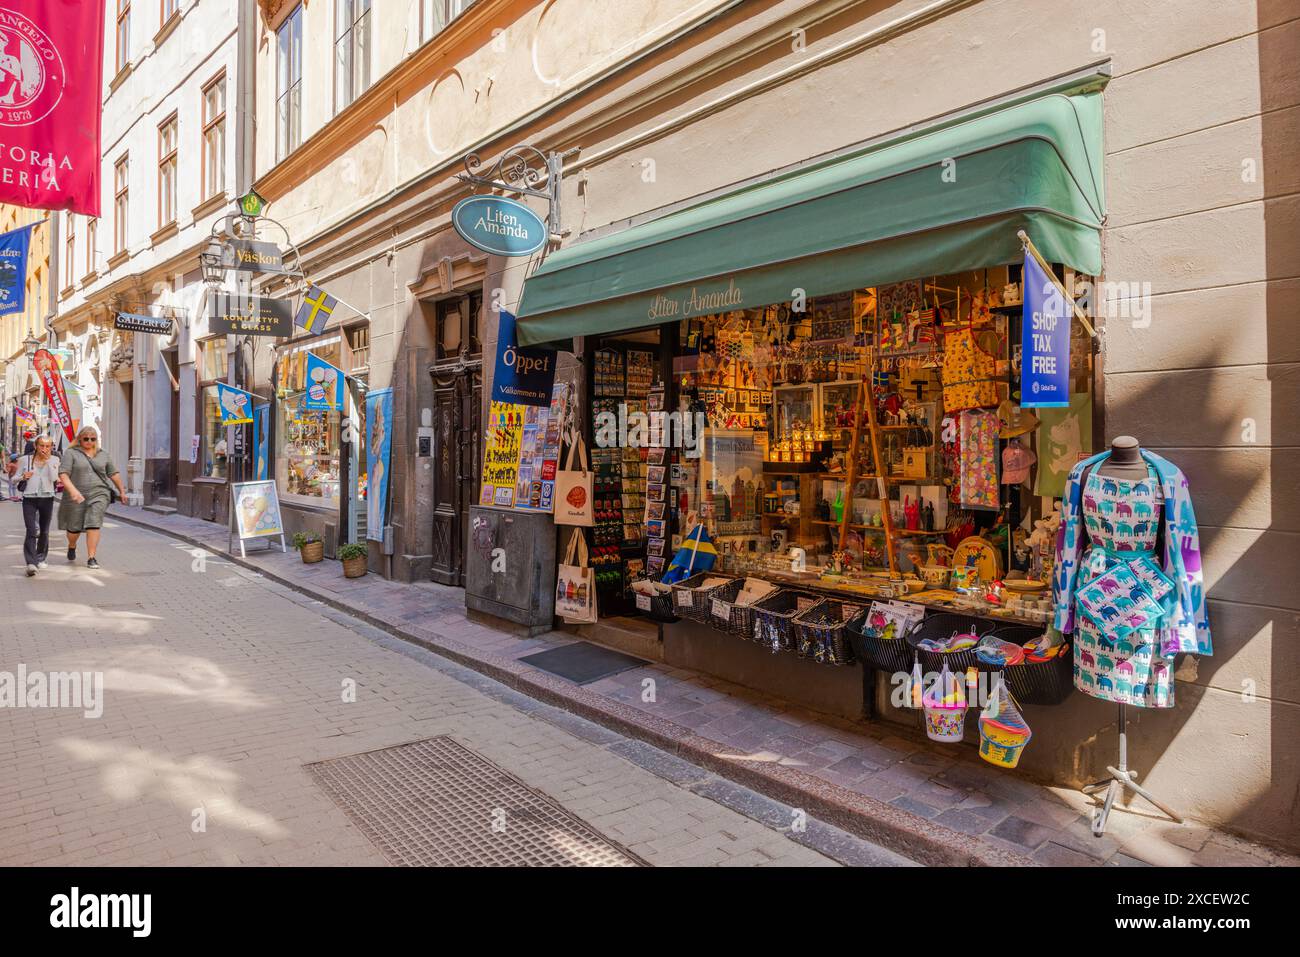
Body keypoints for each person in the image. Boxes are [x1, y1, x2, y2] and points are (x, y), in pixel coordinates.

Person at [58, 427, 127, 570]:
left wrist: (122, 491)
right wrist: (73, 491)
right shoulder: (71, 453)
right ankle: (72, 546)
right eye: (86, 439)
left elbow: (113, 473)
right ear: (80, 439)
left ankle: (91, 557)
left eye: (93, 439)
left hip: (99, 492)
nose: (89, 441)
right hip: (76, 495)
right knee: (74, 529)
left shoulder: (103, 455)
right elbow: (63, 474)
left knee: (94, 521)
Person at [19, 434, 60, 576]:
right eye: (41, 445)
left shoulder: (55, 459)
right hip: (29, 498)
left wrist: (48, 461)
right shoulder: (25, 460)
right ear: (36, 446)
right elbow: (13, 479)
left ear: (51, 447)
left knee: (44, 531)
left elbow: (54, 478)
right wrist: (22, 476)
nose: (44, 448)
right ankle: (31, 562)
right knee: (31, 530)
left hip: (47, 498)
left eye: (48, 446)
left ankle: (41, 557)